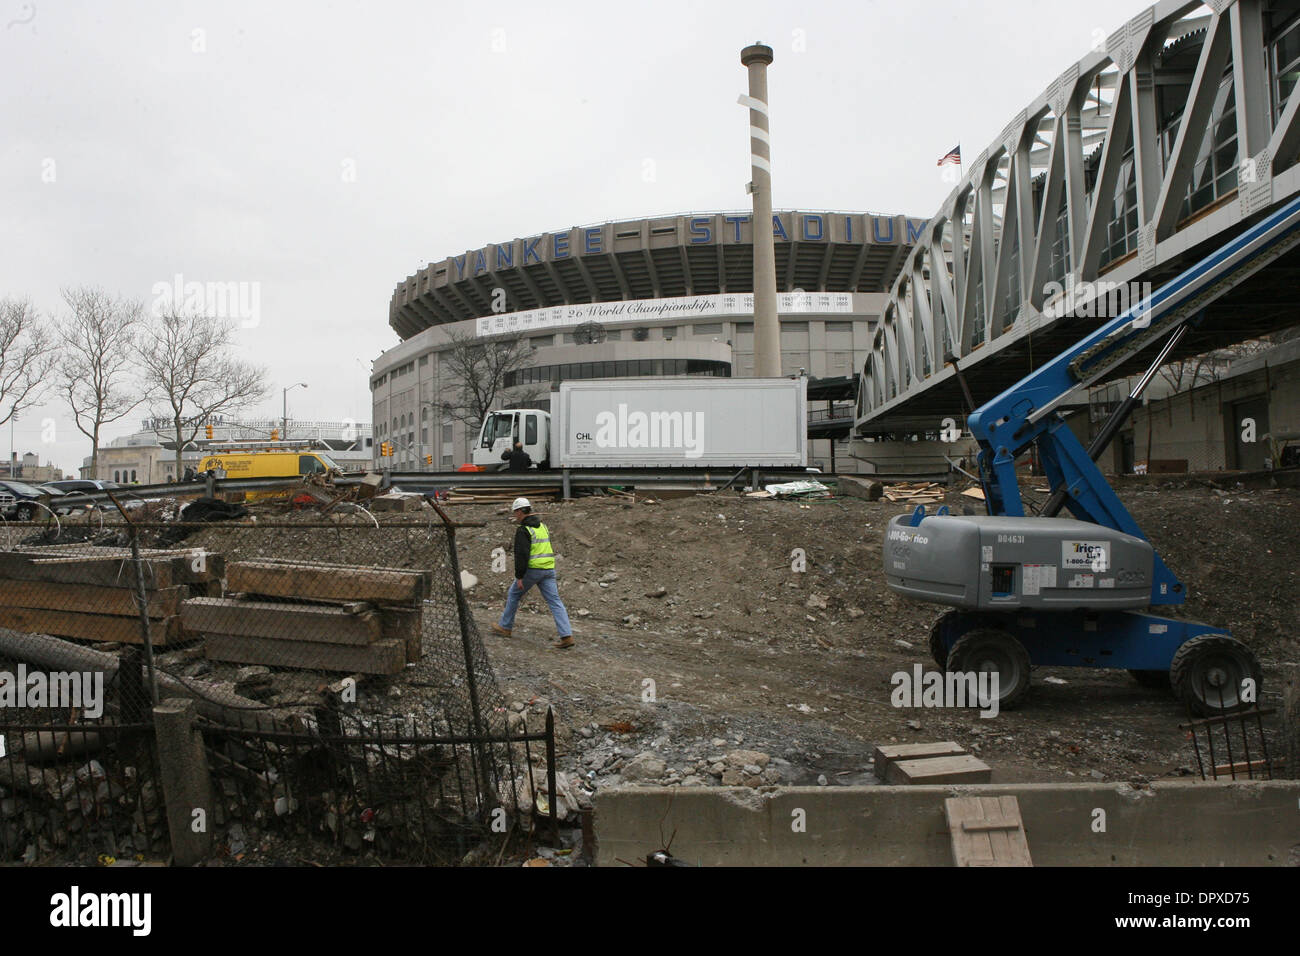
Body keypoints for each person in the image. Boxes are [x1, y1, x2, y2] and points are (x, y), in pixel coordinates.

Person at [491, 497, 574, 649]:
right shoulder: (542, 526)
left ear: (521, 511)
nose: (515, 515)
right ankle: (566, 635)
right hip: (548, 570)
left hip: (532, 570)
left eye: (515, 512)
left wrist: (520, 576)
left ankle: (505, 627)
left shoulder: (523, 530)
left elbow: (521, 554)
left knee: (514, 594)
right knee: (555, 602)